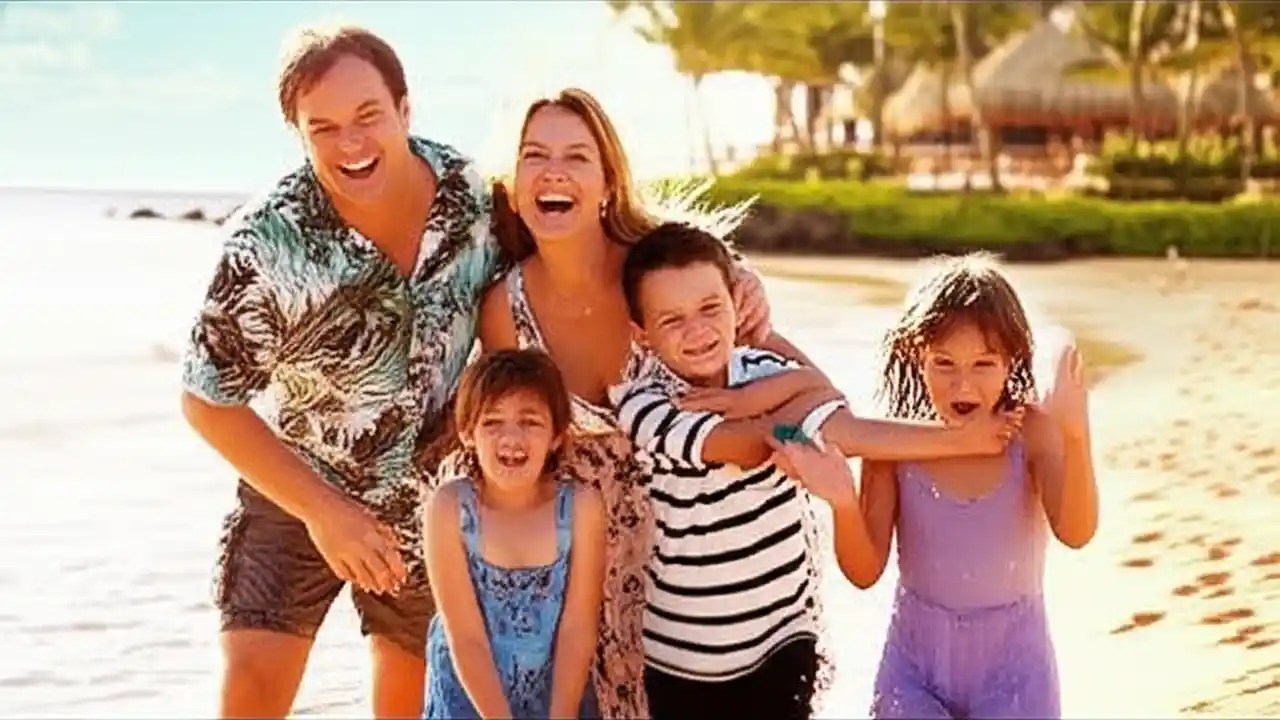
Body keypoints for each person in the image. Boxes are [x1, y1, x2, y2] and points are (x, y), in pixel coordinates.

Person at [179, 24, 502, 717]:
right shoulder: (267, 245)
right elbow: (207, 401)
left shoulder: (466, 194)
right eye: (322, 128)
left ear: (405, 109)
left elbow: (574, 250)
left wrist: (727, 282)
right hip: (296, 489)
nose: (351, 145)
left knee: (407, 703)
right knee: (250, 695)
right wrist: (326, 512)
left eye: (368, 117)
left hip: (429, 502)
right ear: (297, 134)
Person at [609, 223, 1028, 720]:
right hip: (681, 657)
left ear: (735, 306)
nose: (697, 331)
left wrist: (764, 395)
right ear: (642, 335)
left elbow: (838, 415)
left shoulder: (763, 370)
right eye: (671, 319)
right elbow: (751, 447)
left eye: (710, 308)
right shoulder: (644, 405)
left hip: (785, 639)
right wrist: (959, 439)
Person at [476, 87, 775, 718]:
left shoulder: (663, 272)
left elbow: (779, 368)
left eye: (577, 157)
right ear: (515, 181)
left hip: (704, 565)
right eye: (535, 155)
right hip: (578, 573)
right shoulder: (504, 306)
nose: (554, 170)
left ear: (609, 180)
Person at [774, 252, 1098, 720]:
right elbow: (865, 571)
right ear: (915, 355)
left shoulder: (1032, 435)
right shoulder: (896, 445)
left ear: (1012, 360)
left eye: (984, 364)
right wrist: (842, 500)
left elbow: (1076, 531)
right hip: (913, 667)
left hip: (1015, 667)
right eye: (943, 363)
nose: (962, 384)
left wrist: (1074, 433)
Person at [423, 349, 605, 719]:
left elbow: (577, 628)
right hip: (470, 696)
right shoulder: (449, 508)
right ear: (467, 434)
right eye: (492, 422)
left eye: (530, 422)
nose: (511, 437)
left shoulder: (582, 507)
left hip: (557, 694)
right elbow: (466, 636)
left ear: (556, 435)